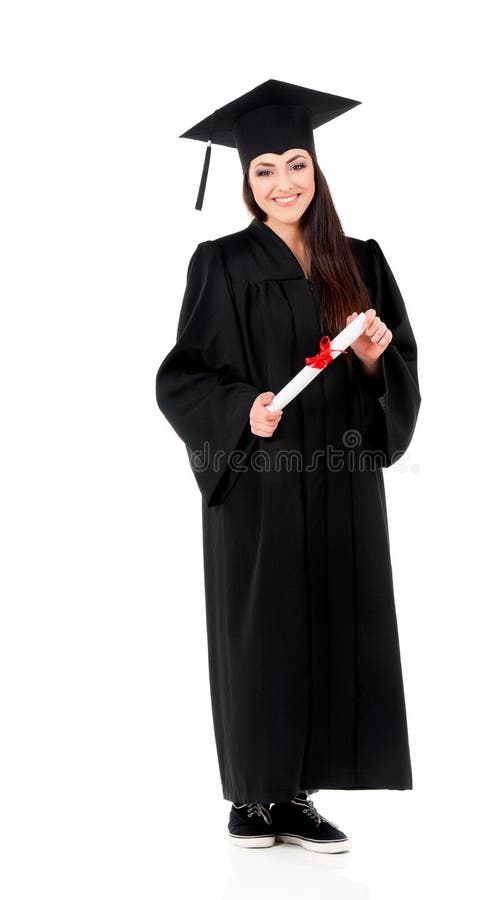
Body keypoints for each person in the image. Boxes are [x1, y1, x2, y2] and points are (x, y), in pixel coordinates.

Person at [155, 79, 422, 853]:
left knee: (336, 623)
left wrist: (374, 363)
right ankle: (252, 795)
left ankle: (299, 796)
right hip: (260, 484)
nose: (283, 183)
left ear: (318, 169)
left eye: (296, 164)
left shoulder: (361, 261)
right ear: (245, 179)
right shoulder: (222, 263)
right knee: (263, 629)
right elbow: (184, 375)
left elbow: (399, 363)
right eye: (264, 168)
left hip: (340, 481)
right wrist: (244, 408)